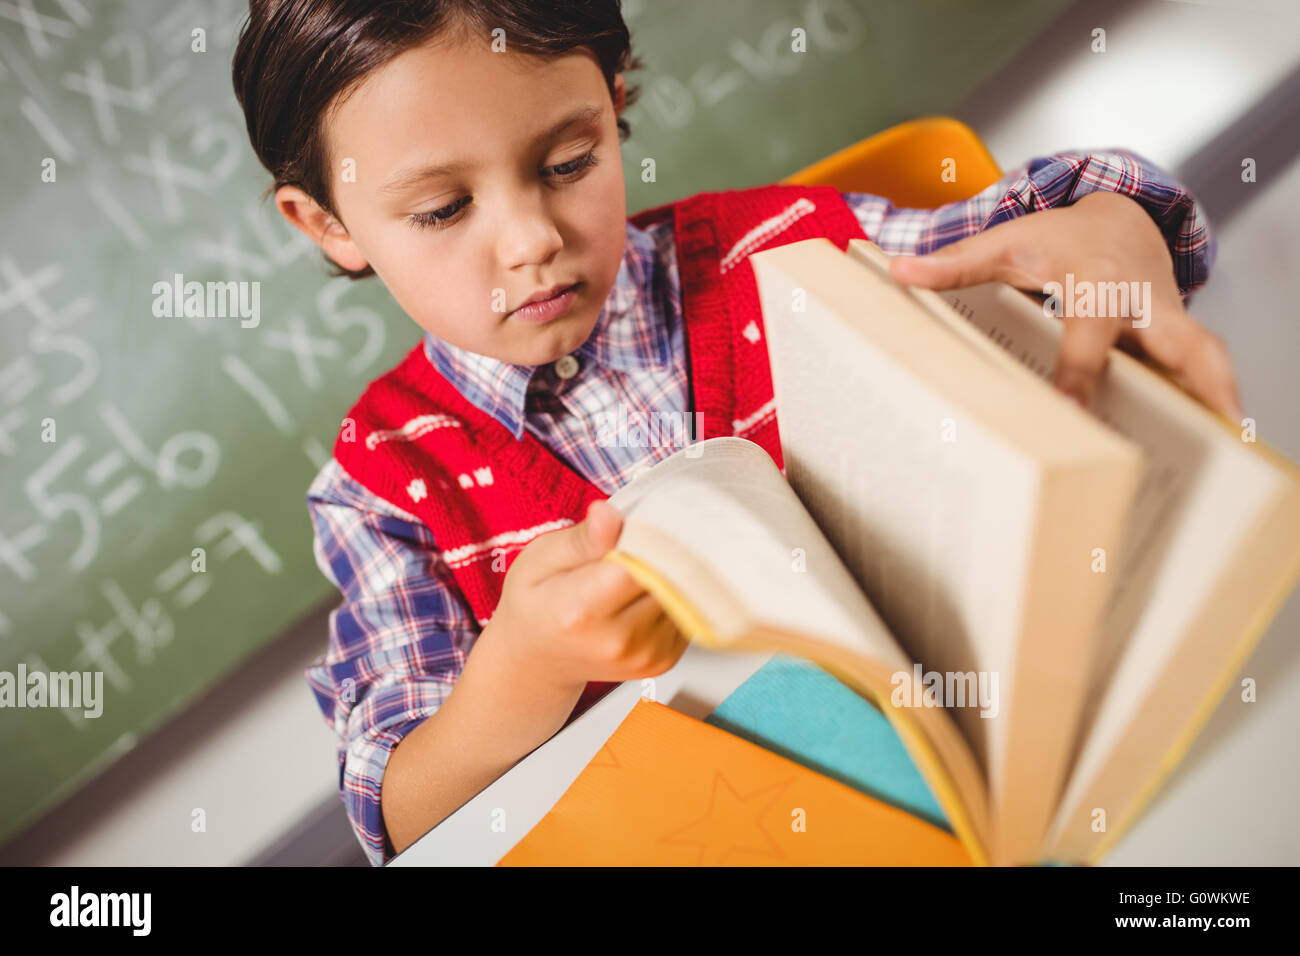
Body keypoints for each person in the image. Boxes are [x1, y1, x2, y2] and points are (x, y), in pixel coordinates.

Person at [231, 0, 1240, 865]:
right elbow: (402, 817)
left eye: (569, 159)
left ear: (616, 103)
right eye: (445, 207)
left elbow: (1012, 226)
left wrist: (1115, 226)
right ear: (328, 225)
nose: (532, 237)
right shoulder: (387, 483)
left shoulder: (779, 249)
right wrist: (524, 669)